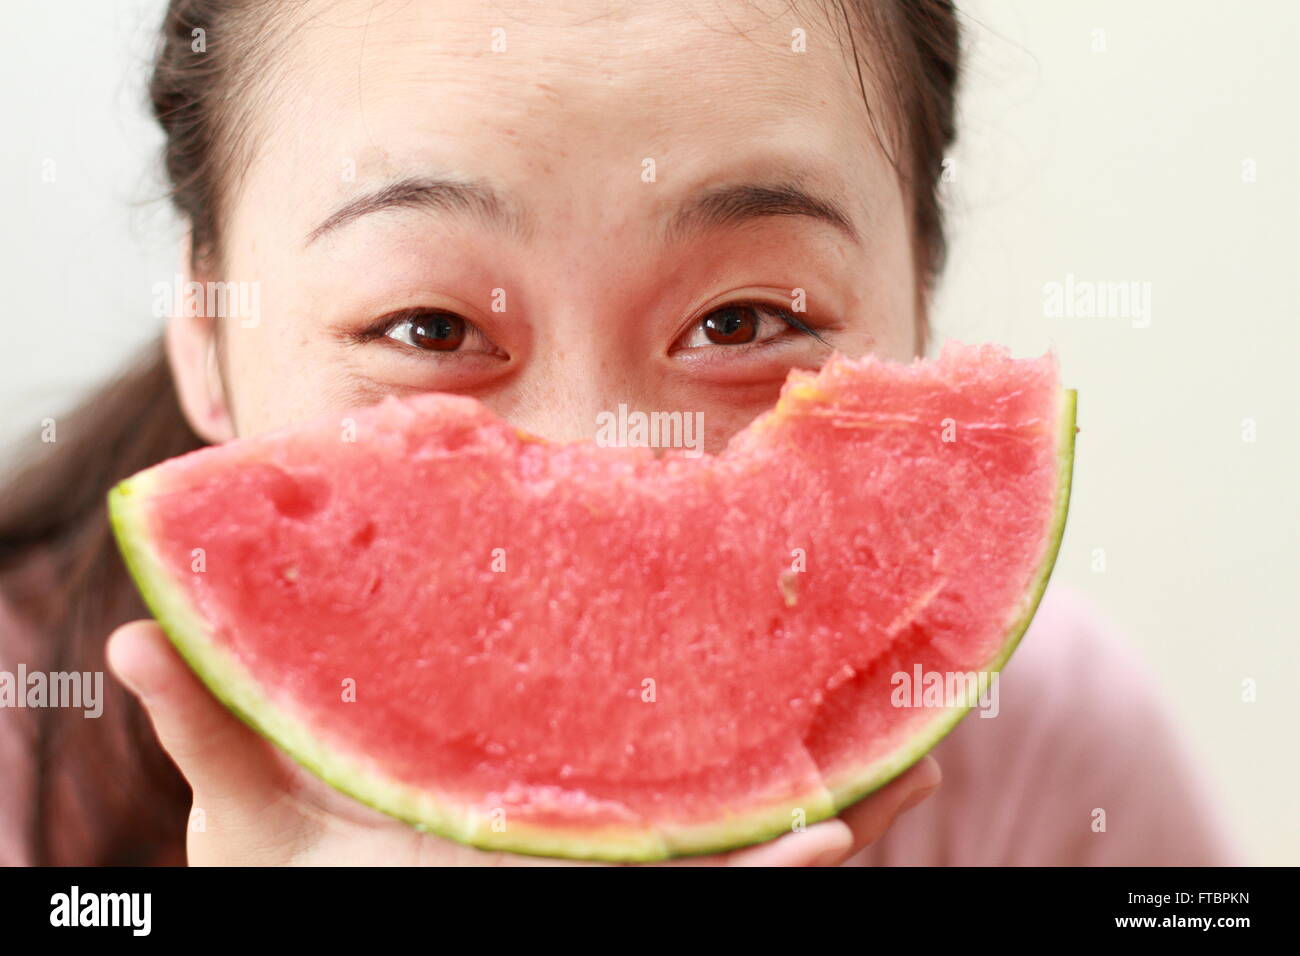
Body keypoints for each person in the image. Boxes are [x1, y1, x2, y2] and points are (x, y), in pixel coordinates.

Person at [0, 0, 1240, 866]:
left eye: (745, 317)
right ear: (202, 336)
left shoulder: (1044, 753)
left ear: (921, 299)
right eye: (429, 327)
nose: (599, 462)